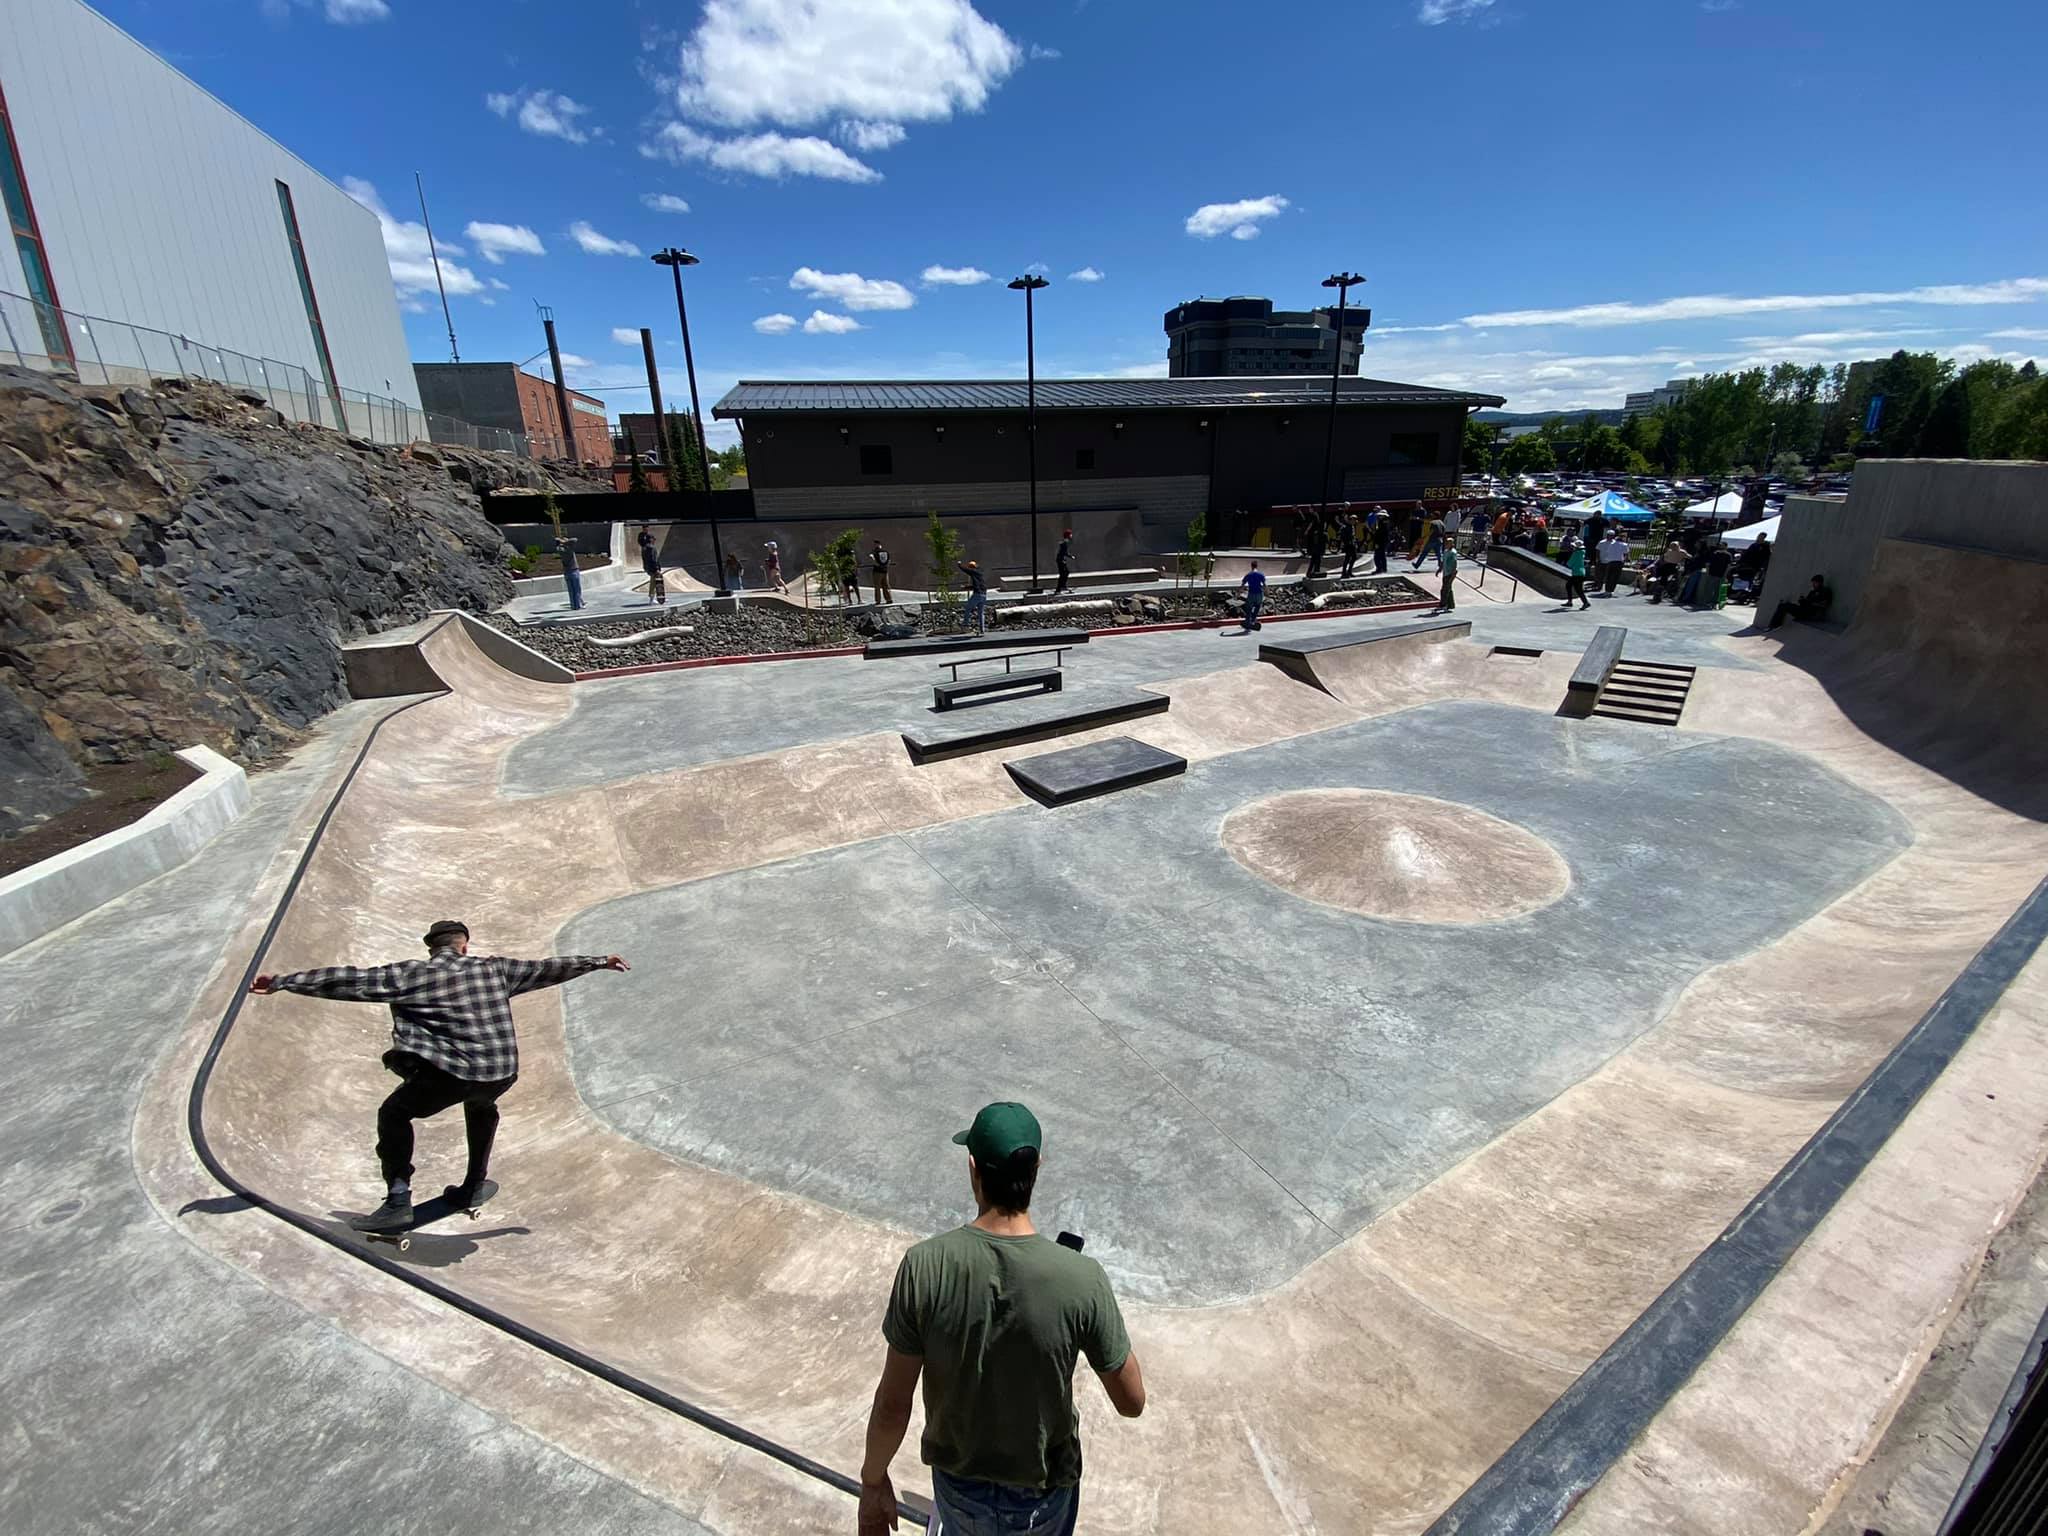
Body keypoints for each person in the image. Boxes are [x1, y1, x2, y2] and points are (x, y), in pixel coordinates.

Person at [858, 1102, 1144, 1536]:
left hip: (959, 1488)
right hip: (1043, 1494)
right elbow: (1131, 1401)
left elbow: (893, 1405)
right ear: (1036, 1169)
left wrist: (872, 1480)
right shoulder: (1082, 1279)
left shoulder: (924, 1266)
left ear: (973, 1168)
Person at [247, 921, 628, 1231]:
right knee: (482, 1104)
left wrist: (284, 981)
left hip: (455, 1073)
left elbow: (349, 980)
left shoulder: (411, 974)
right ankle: (473, 1187)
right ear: (464, 946)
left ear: (433, 949)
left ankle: (398, 1199)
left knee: (394, 1113)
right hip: (501, 1070)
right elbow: (547, 968)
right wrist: (598, 961)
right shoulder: (494, 968)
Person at [1648, 536, 1688, 604]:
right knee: (1667, 580)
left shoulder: (1669, 551)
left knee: (1663, 580)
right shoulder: (1682, 552)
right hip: (1672, 567)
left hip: (1666, 566)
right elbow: (1688, 556)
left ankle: (1659, 593)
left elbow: (1664, 558)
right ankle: (1661, 592)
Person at [1560, 533, 1591, 611]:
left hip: (1577, 573)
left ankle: (1585, 602)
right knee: (1570, 586)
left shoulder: (1576, 553)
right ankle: (1572, 601)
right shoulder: (1582, 553)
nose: (1572, 547)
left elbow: (1569, 564)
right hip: (1581, 573)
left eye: (1573, 546)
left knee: (1577, 589)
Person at [554, 532, 583, 611]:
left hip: (566, 572)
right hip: (574, 571)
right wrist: (564, 541)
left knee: (571, 590)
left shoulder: (560, 550)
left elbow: (557, 545)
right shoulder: (569, 549)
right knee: (577, 589)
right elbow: (574, 540)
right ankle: (578, 606)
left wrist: (559, 541)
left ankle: (573, 605)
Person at [959, 558, 989, 634]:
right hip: (984, 595)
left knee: (968, 608)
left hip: (977, 595)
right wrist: (966, 587)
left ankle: (965, 624)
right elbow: (976, 586)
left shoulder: (973, 572)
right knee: (981, 612)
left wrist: (959, 565)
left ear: (972, 567)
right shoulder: (980, 574)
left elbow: (966, 570)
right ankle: (982, 629)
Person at [1596, 530, 1630, 596]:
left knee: (1609, 577)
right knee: (1615, 577)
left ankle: (1607, 590)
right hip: (1619, 562)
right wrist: (1626, 561)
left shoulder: (1611, 544)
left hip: (1610, 562)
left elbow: (1608, 552)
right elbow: (1626, 554)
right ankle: (1610, 591)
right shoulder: (1624, 545)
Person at [637, 527, 666, 606]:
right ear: (651, 540)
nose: (655, 541)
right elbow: (654, 559)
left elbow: (645, 559)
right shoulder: (651, 548)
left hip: (648, 567)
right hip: (653, 568)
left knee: (654, 582)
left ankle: (653, 598)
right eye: (654, 539)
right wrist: (657, 569)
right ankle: (651, 599)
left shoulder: (645, 548)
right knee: (654, 583)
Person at [1240, 559, 1266, 631]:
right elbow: (1264, 585)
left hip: (1251, 594)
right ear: (1257, 566)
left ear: (1251, 566)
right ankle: (1253, 620)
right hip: (1259, 594)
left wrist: (1238, 593)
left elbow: (1242, 585)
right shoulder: (1261, 575)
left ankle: (1248, 622)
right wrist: (1267, 592)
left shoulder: (1248, 575)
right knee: (1257, 606)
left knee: (1248, 608)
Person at [1435, 542, 1459, 613]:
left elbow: (1455, 563)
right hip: (1445, 573)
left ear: (1452, 544)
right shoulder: (1445, 552)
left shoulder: (1453, 552)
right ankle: (1450, 605)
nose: (1446, 545)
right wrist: (1439, 569)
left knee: (1445, 589)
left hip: (1450, 573)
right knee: (1448, 588)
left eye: (1448, 543)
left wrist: (1453, 573)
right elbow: (1443, 562)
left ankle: (1444, 604)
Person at [870, 539, 893, 604]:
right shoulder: (886, 552)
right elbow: (889, 561)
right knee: (886, 585)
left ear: (876, 544)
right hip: (885, 571)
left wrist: (872, 558)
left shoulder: (875, 552)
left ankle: (878, 600)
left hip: (877, 571)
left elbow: (874, 562)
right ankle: (889, 599)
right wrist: (885, 567)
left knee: (877, 586)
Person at [1370, 508, 1392, 574]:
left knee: (1377, 556)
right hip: (1383, 542)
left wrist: (1376, 543)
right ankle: (1383, 568)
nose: (1379, 517)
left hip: (1380, 542)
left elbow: (1379, 534)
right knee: (1382, 556)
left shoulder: (1382, 524)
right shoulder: (1385, 523)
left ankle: (1379, 569)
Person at [1338, 514, 1359, 580]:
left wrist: (1355, 542)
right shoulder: (1345, 527)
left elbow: (1353, 536)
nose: (1355, 521)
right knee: (1347, 558)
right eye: (1353, 520)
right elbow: (1342, 536)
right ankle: (1344, 572)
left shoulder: (1352, 527)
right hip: (1348, 545)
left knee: (1354, 557)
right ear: (1350, 520)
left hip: (1352, 545)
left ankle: (1349, 571)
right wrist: (1346, 542)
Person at [1054, 528, 1074, 594]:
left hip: (1061, 560)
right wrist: (1071, 556)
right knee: (1063, 574)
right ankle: (1058, 589)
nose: (1071, 536)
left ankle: (1063, 586)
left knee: (1065, 572)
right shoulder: (1064, 543)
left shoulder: (1065, 542)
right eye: (1070, 534)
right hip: (1061, 560)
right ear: (1068, 535)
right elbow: (1064, 552)